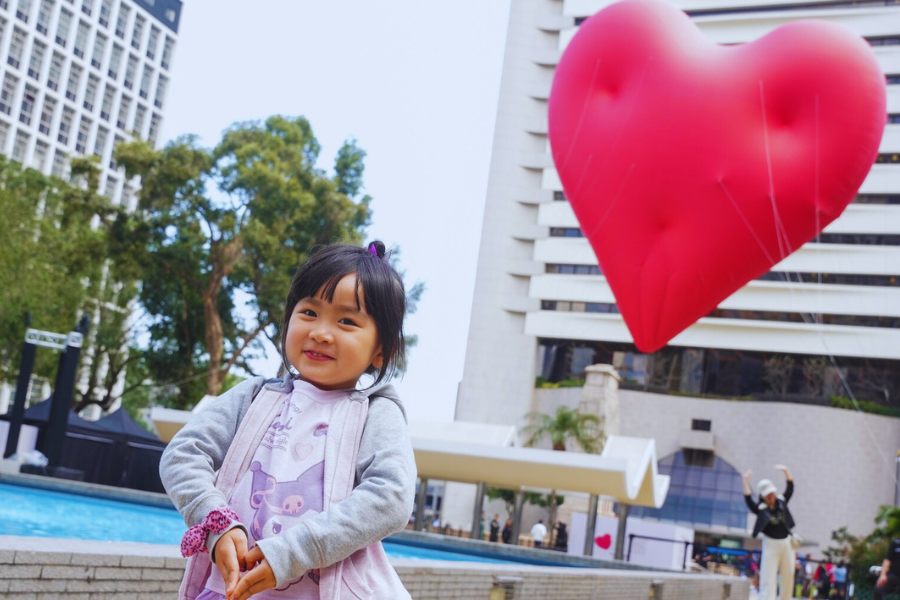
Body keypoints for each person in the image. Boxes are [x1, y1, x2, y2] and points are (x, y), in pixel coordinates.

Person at [160, 241, 417, 600]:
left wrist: (293, 552)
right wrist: (216, 520)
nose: (320, 332)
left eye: (346, 321)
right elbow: (182, 455)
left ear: (381, 351)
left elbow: (391, 497)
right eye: (309, 312)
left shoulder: (375, 412)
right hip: (231, 590)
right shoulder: (254, 397)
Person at [743, 465, 796, 600]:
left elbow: (790, 488)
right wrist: (746, 481)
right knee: (768, 575)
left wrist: (786, 471)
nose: (771, 497)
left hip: (786, 542)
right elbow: (748, 500)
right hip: (770, 543)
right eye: (767, 495)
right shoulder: (761, 508)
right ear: (762, 496)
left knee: (788, 574)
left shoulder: (781, 502)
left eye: (772, 493)